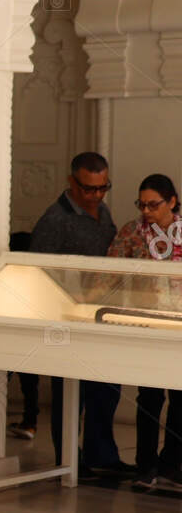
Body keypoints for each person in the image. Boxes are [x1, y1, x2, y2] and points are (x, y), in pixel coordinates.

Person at [29, 152, 132, 476]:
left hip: (101, 316)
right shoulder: (54, 220)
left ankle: (102, 455)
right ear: (71, 182)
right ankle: (68, 461)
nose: (97, 195)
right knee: (70, 393)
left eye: (103, 188)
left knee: (105, 387)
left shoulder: (102, 211)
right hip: (67, 318)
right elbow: (39, 271)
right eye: (89, 189)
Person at [108, 173, 182, 492]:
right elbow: (110, 270)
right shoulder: (132, 232)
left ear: (172, 202)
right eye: (142, 204)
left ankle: (172, 465)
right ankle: (145, 466)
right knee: (148, 397)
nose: (147, 211)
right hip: (146, 323)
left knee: (180, 399)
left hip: (179, 325)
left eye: (154, 205)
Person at [6, 229, 40, 441]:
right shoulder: (36, 276)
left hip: (13, 336)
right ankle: (30, 421)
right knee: (29, 379)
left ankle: (29, 421)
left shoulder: (8, 277)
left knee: (6, 376)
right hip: (31, 334)